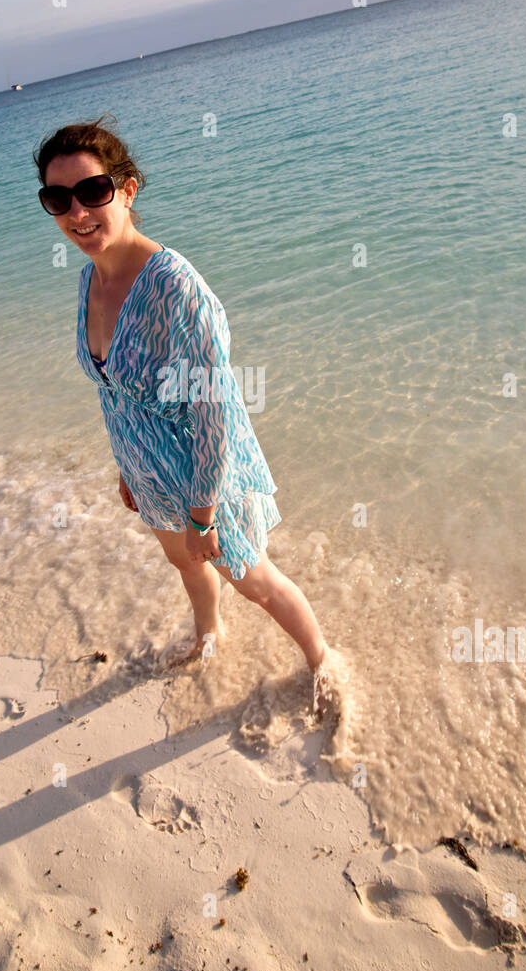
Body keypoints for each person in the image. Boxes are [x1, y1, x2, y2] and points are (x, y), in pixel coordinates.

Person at [34, 113, 339, 714]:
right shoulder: (89, 281)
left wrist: (203, 512)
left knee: (256, 582)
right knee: (184, 566)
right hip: (150, 474)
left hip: (206, 479)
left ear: (126, 189)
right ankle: (207, 636)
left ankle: (324, 661)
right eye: (58, 199)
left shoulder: (175, 289)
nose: (77, 213)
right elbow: (112, 393)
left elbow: (215, 415)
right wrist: (127, 470)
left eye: (92, 192)